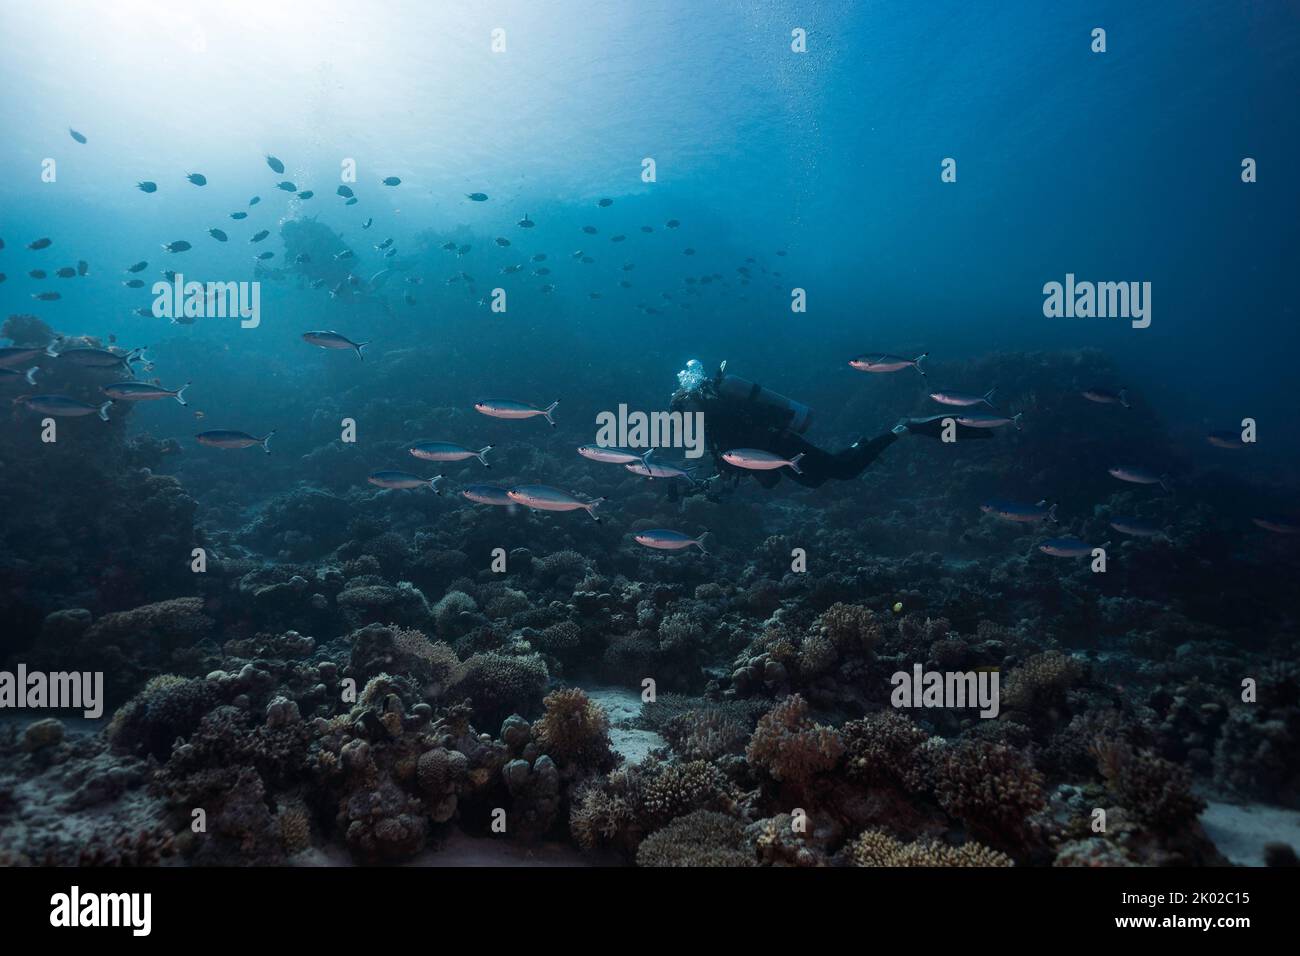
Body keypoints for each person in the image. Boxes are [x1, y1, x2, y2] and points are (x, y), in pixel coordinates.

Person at [669, 359, 993, 490]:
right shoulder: (713, 418)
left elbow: (737, 457)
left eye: (682, 416)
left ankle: (904, 428)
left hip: (781, 444)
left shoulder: (716, 417)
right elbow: (736, 462)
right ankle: (862, 444)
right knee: (816, 480)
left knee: (843, 471)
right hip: (776, 449)